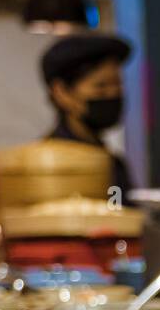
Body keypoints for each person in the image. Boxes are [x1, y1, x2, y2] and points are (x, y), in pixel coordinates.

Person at [39, 33, 134, 195]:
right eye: (101, 87)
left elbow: (117, 212)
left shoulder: (112, 163)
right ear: (61, 92)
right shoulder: (49, 166)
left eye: (117, 84)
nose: (112, 94)